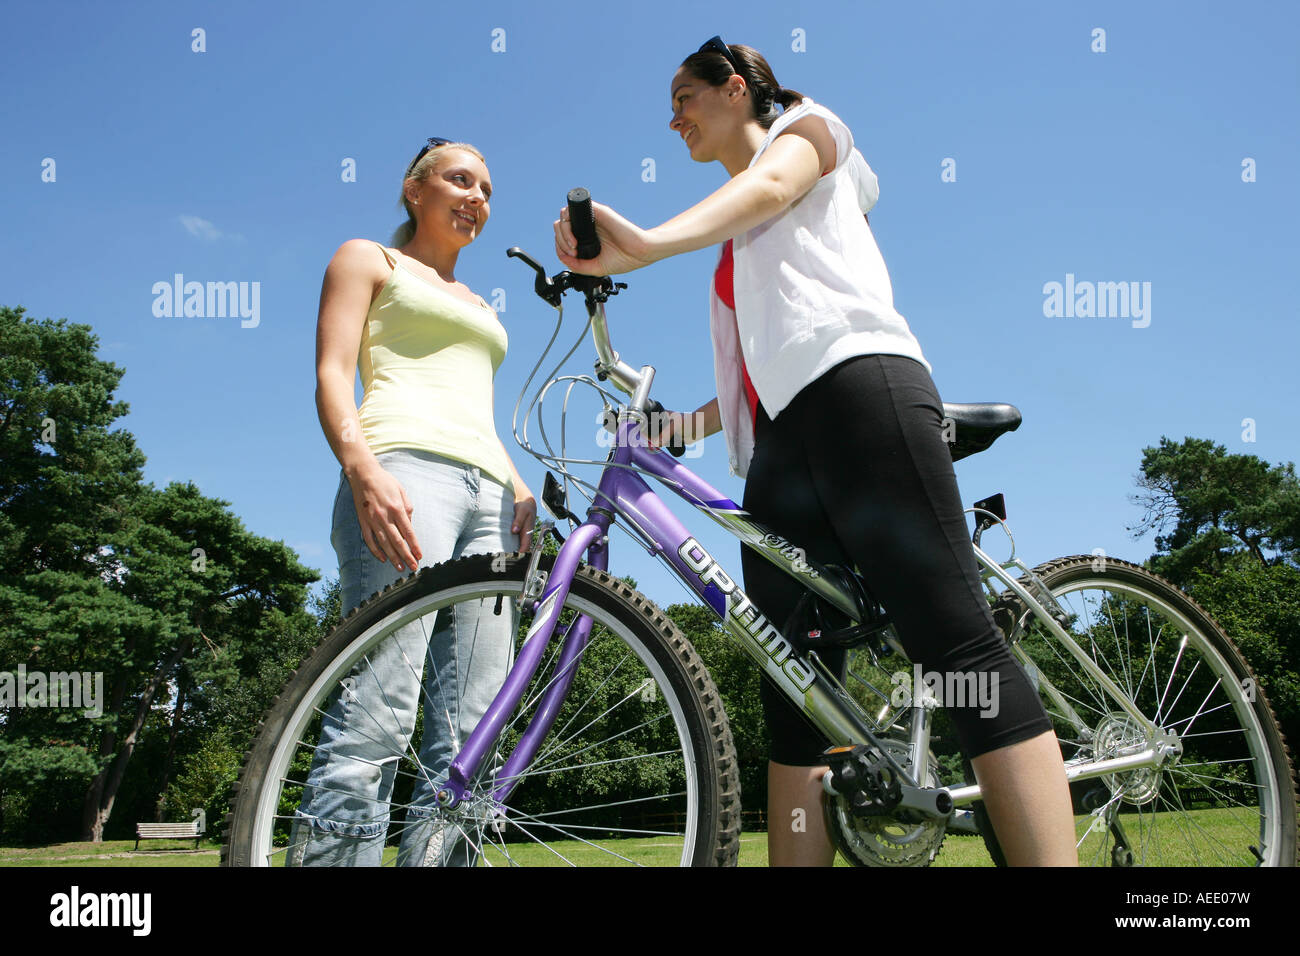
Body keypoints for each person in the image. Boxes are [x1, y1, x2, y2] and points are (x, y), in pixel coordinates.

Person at [553, 39, 1077, 866]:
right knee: (793, 694)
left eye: (685, 96)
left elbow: (768, 186)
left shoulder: (811, 128)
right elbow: (759, 375)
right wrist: (677, 431)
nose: (673, 117)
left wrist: (647, 242)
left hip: (862, 387)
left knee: (955, 649)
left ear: (736, 89)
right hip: (781, 444)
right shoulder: (734, 247)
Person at [293, 138, 537, 866]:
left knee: (471, 735)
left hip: (490, 497)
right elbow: (333, 373)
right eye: (461, 180)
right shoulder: (368, 258)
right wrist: (360, 465)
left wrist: (519, 490)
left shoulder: (476, 302)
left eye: (488, 189)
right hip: (404, 471)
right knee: (378, 709)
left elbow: (479, 415)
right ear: (413, 189)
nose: (478, 198)